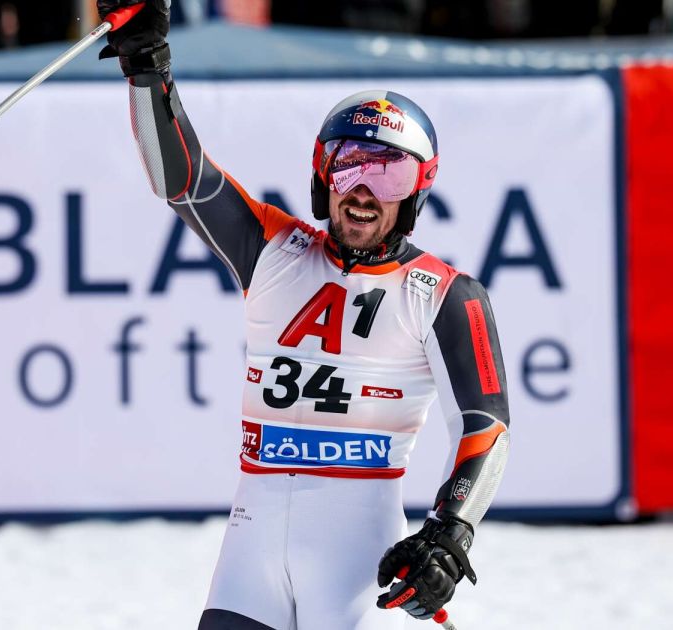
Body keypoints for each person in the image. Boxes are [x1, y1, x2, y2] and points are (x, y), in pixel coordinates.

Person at [95, 2, 511, 628]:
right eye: (350, 164)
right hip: (251, 545)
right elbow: (181, 180)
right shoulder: (272, 249)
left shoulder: (447, 293)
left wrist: (451, 534)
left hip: (358, 559)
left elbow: (487, 427)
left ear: (418, 191)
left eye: (391, 172)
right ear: (323, 177)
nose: (366, 189)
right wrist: (146, 70)